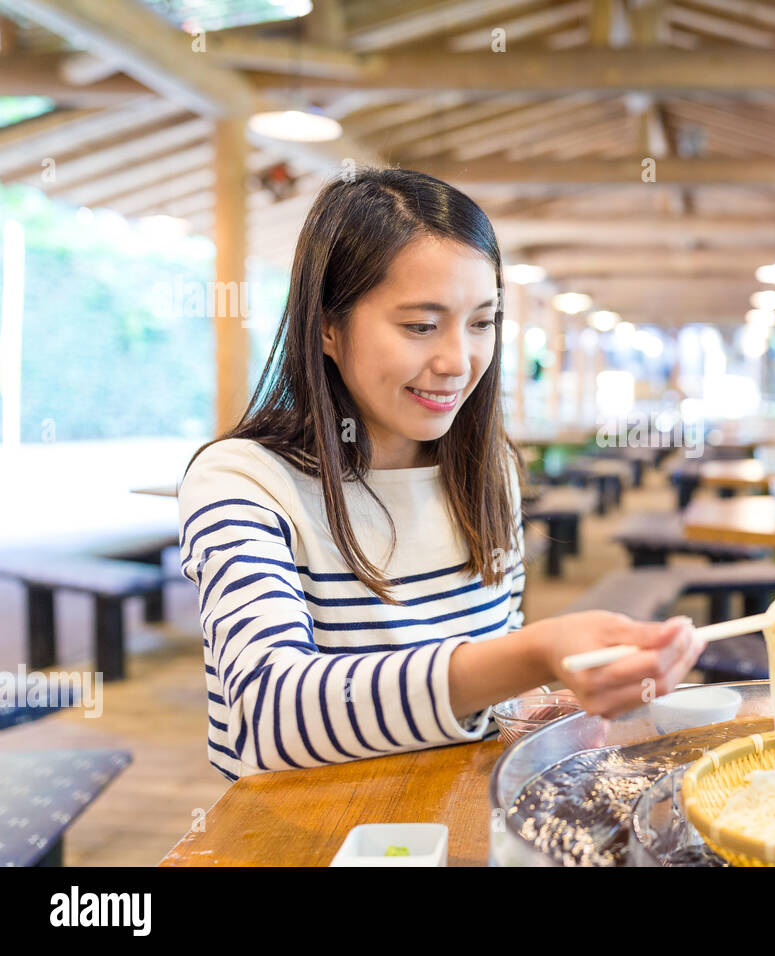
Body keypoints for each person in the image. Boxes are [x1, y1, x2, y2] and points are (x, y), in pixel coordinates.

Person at [178, 168, 702, 781]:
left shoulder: (490, 469)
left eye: (482, 323)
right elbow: (269, 717)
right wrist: (534, 652)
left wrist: (560, 697)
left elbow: (484, 699)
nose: (458, 361)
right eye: (420, 326)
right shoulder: (242, 481)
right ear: (326, 325)